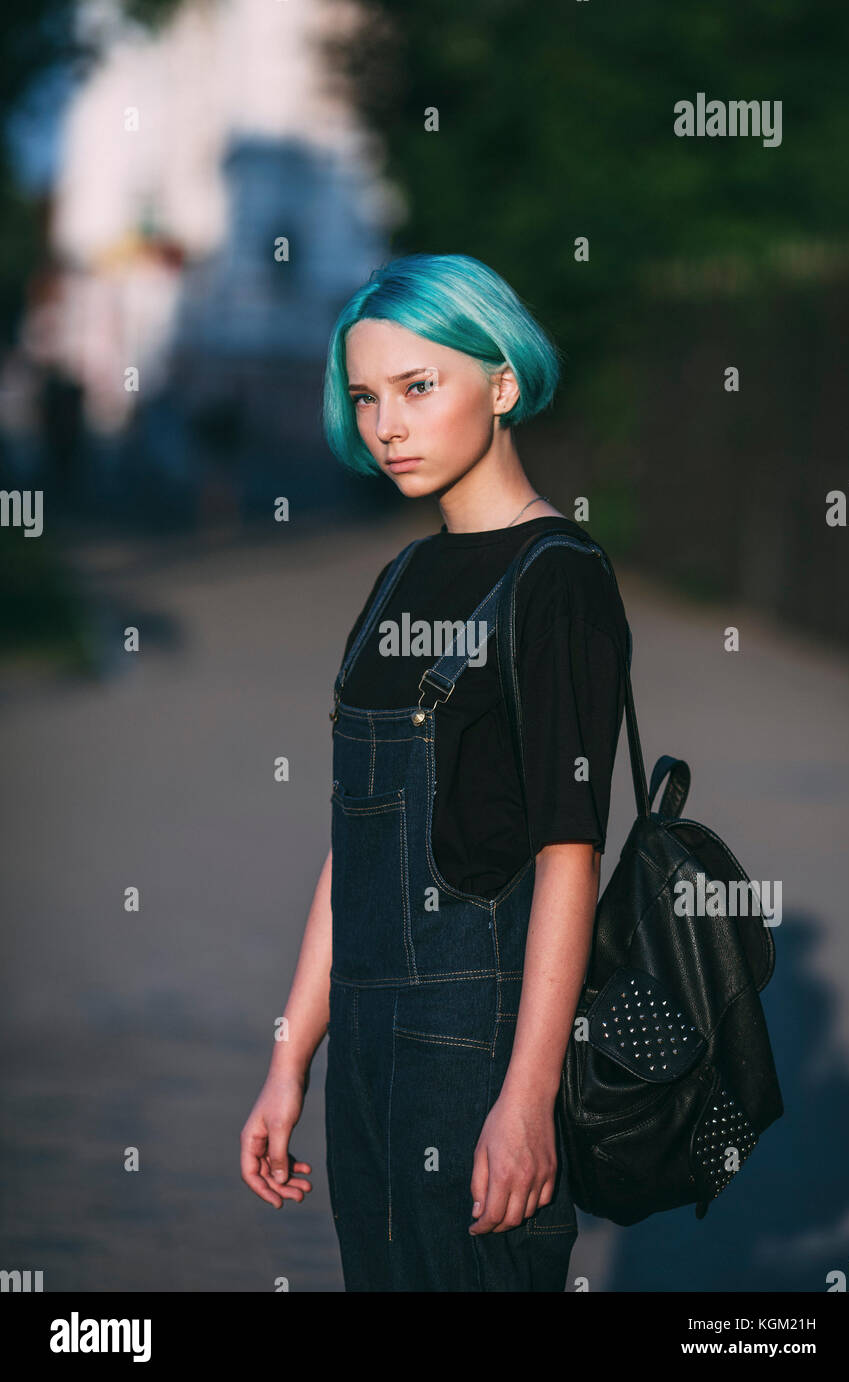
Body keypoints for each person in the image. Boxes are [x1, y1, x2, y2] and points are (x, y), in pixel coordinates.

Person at [240, 253, 629, 1291]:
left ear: (501, 385)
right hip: (364, 1046)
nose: (386, 425)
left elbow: (567, 852)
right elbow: (354, 843)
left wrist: (526, 1095)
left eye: (418, 387)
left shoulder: (558, 579)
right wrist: (290, 1060)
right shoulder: (399, 576)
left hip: (475, 1047)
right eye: (365, 396)